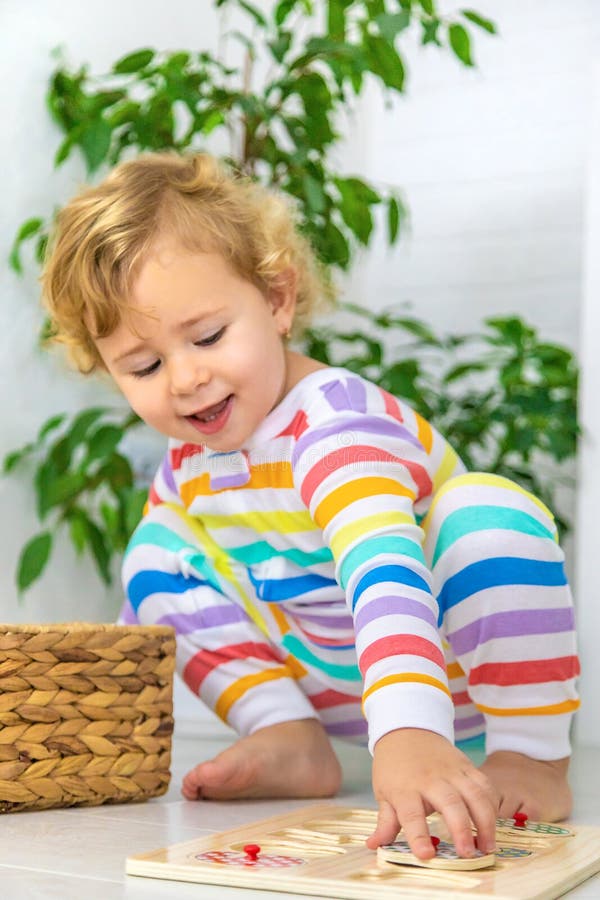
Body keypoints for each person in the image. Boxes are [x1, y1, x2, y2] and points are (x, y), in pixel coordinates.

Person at [41, 151, 579, 861]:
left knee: (487, 514)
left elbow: (381, 564)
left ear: (277, 300)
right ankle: (288, 732)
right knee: (154, 555)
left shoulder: (334, 424)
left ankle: (532, 756)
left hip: (451, 676)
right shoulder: (188, 467)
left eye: (207, 337)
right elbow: (145, 619)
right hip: (346, 684)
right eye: (144, 366)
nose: (187, 378)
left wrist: (411, 730)